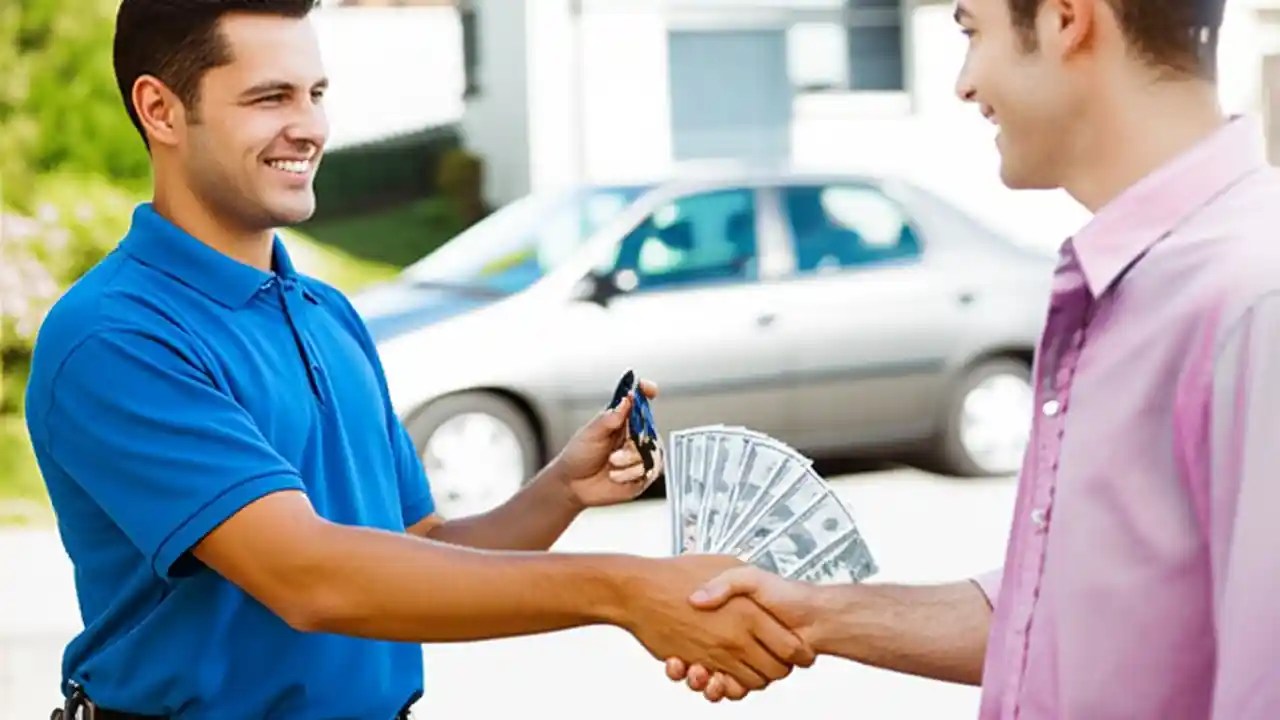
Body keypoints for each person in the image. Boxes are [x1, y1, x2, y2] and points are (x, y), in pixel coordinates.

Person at [23, 1, 813, 717]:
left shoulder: (325, 312)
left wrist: (560, 491)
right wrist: (624, 589)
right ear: (160, 109)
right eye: (271, 98)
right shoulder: (116, 336)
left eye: (317, 94)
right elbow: (312, 578)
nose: (311, 128)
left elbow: (419, 550)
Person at [667, 0, 1280, 717]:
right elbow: (1055, 624)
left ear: (1064, 19)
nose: (962, 83)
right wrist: (813, 614)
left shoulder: (1251, 298)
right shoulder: (1146, 280)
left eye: (971, 32)